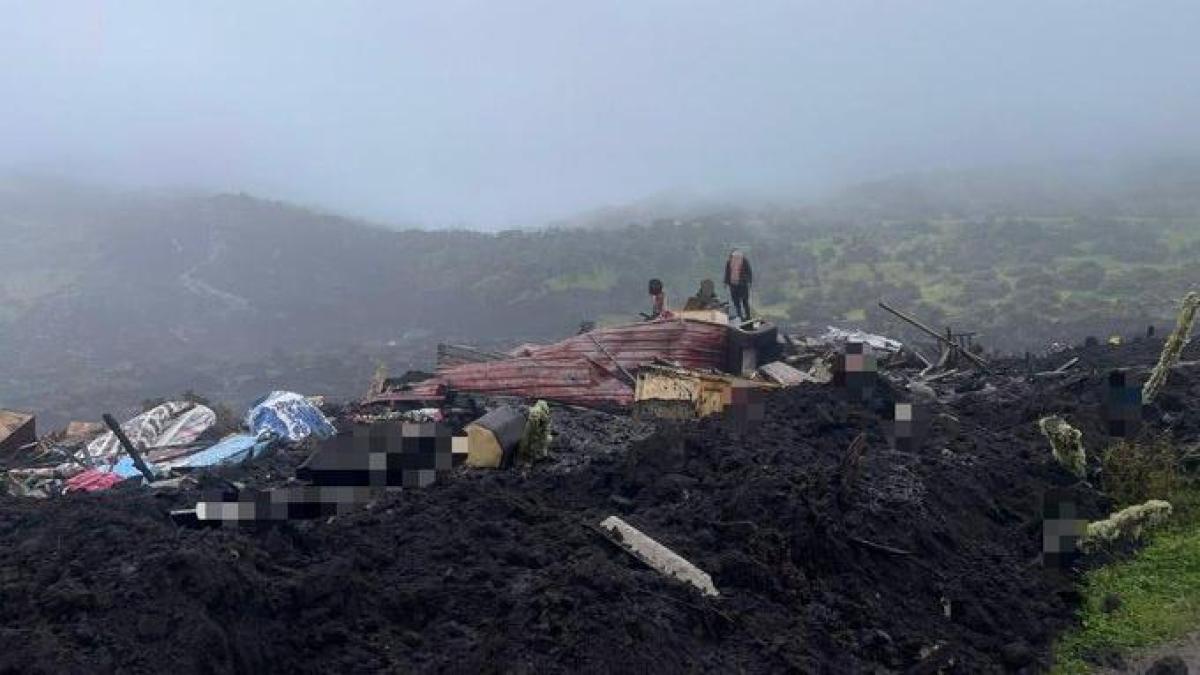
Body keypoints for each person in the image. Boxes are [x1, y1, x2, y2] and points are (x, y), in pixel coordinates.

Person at [724, 249, 753, 320]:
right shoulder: (744, 260)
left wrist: (726, 283)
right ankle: (748, 316)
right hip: (743, 284)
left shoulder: (729, 261)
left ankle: (740, 316)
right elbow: (749, 271)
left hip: (733, 284)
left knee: (736, 302)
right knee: (745, 301)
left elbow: (727, 273)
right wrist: (749, 281)